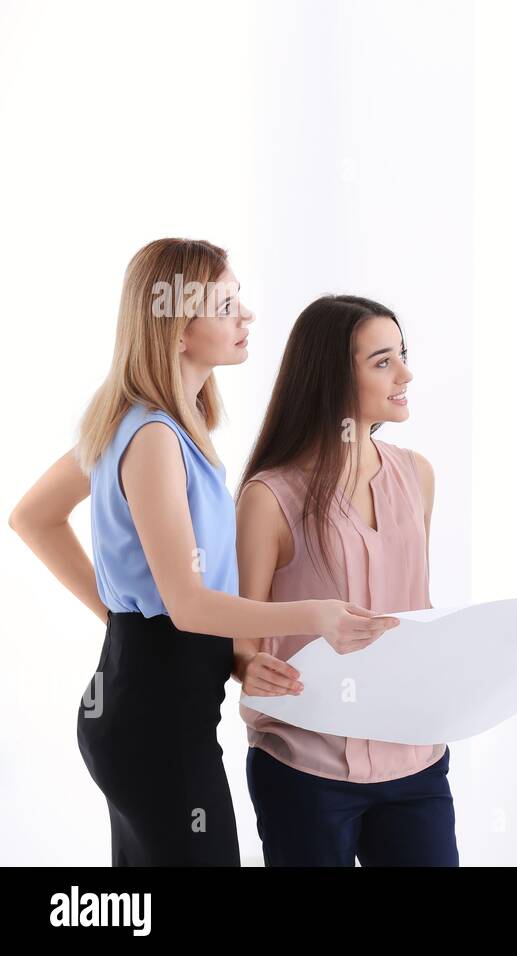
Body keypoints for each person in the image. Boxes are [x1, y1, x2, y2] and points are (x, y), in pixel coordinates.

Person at [8, 239, 398, 866]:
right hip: (154, 722)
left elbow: (33, 517)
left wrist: (125, 619)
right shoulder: (155, 435)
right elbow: (187, 605)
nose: (246, 316)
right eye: (226, 304)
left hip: (148, 700)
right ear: (177, 328)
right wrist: (318, 615)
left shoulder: (142, 421)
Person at [236, 294, 458, 866]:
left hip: (415, 759)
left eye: (402, 355)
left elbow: (418, 608)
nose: (406, 374)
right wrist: (243, 664)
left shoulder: (417, 475)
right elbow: (239, 626)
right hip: (304, 766)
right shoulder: (270, 496)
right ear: (333, 376)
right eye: (383, 361)